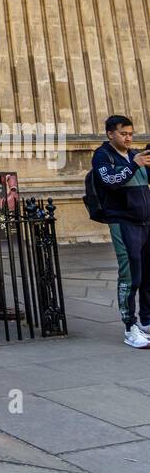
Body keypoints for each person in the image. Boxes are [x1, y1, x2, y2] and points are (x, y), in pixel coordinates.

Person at [92, 115, 150, 347]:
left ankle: (146, 321)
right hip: (123, 222)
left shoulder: (135, 155)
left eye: (130, 134)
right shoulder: (102, 155)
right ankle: (130, 327)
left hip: (145, 222)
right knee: (130, 276)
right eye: (123, 133)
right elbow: (110, 181)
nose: (128, 138)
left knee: (147, 275)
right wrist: (134, 164)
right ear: (110, 134)